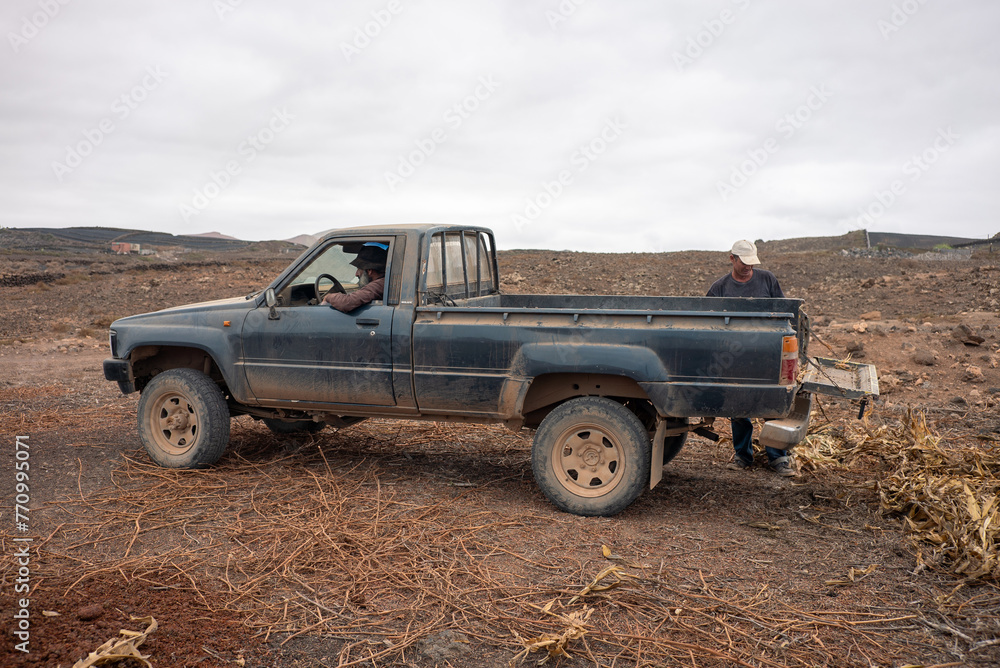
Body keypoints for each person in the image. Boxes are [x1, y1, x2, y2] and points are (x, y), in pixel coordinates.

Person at [707, 240, 796, 477]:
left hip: (768, 353)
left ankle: (778, 457)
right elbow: (708, 324)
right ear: (732, 259)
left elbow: (784, 313)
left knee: (772, 404)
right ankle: (743, 456)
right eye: (743, 262)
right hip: (733, 357)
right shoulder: (719, 288)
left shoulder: (767, 279)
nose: (748, 267)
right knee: (739, 407)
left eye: (751, 263)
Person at [323, 243, 387, 313]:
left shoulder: (379, 285)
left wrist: (328, 297)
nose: (356, 274)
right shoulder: (383, 282)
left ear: (369, 271)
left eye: (359, 269)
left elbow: (347, 302)